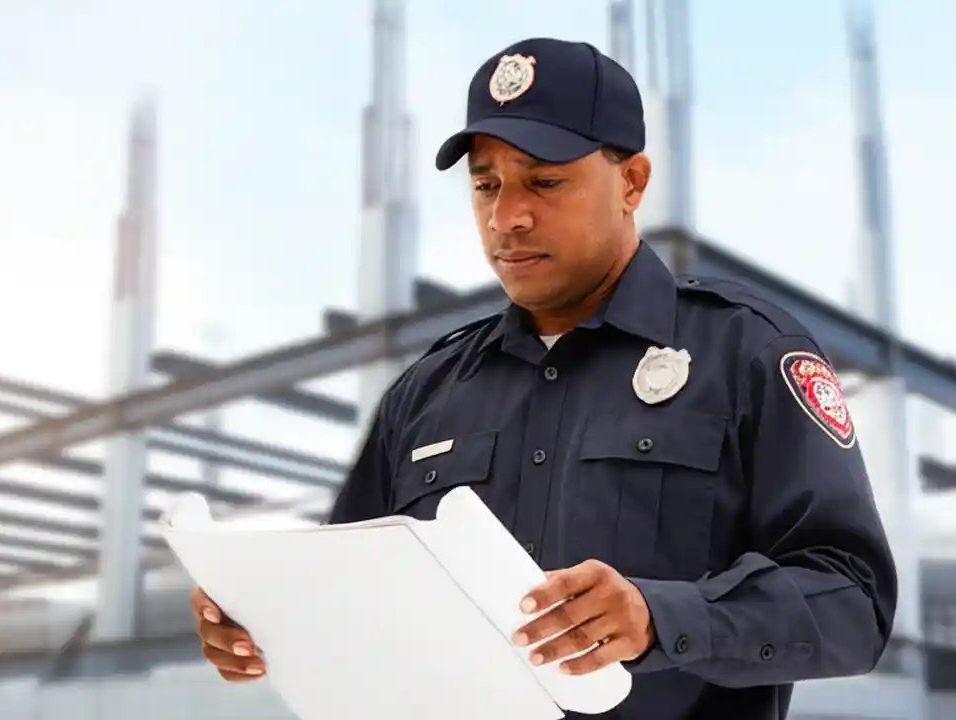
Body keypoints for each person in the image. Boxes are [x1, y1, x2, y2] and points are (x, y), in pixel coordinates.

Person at [189, 36, 898, 719]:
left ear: (632, 181)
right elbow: (344, 598)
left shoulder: (743, 353)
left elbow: (854, 602)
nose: (507, 217)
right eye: (485, 185)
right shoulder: (426, 394)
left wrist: (662, 617)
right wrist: (257, 620)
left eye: (545, 181)